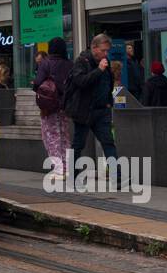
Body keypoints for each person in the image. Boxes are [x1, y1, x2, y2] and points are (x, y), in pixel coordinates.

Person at [64, 32, 117, 168]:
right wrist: (98, 70)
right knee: (78, 144)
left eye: (107, 51)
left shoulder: (106, 63)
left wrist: (108, 102)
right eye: (103, 50)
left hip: (101, 110)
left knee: (108, 142)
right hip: (84, 110)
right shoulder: (82, 61)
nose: (106, 54)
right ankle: (74, 177)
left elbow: (108, 83)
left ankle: (117, 176)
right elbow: (80, 81)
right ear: (94, 48)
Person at [32, 36, 72, 181]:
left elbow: (37, 83)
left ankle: (58, 169)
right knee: (65, 136)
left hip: (49, 107)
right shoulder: (69, 64)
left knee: (51, 136)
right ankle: (68, 168)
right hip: (65, 106)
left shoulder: (46, 63)